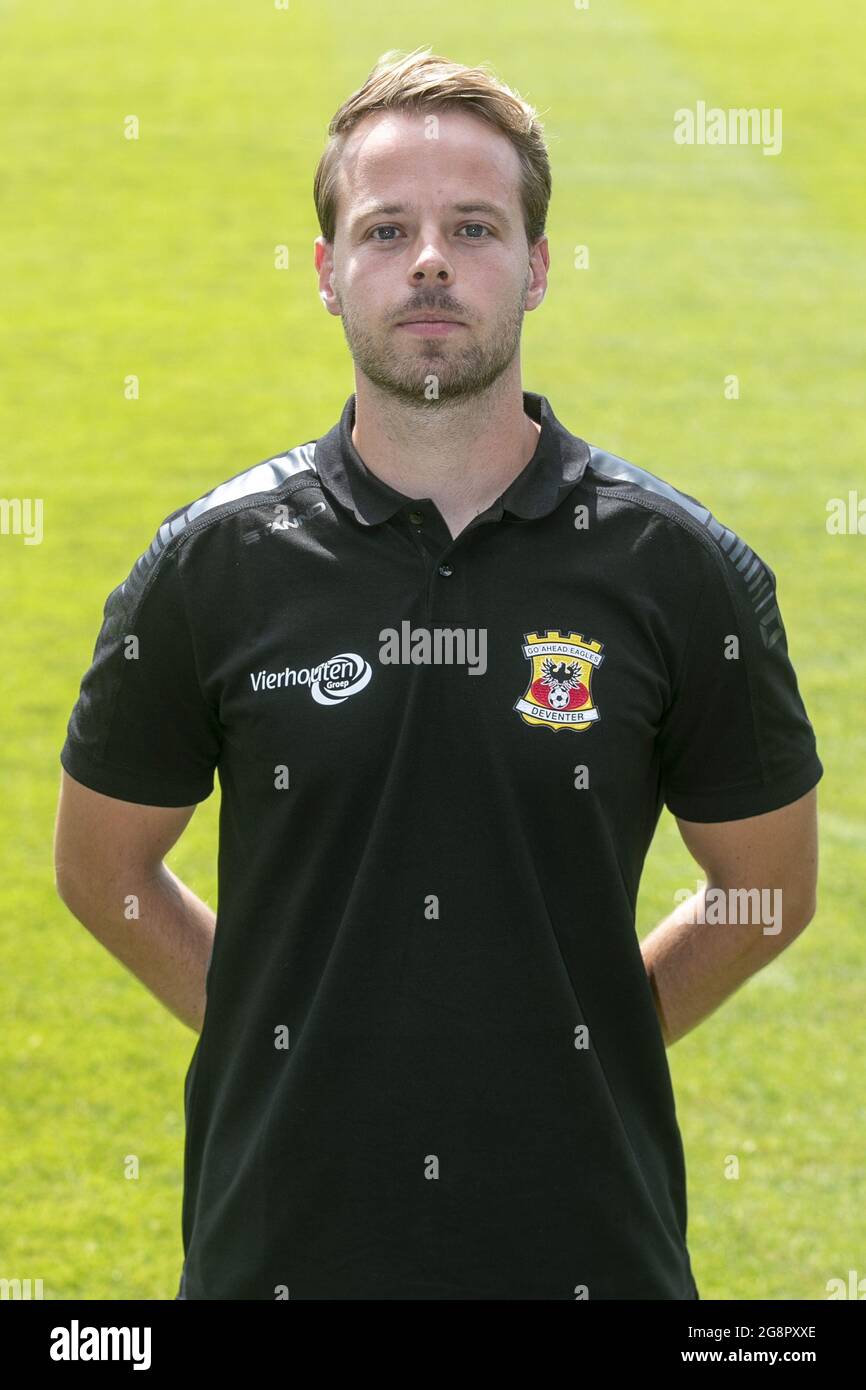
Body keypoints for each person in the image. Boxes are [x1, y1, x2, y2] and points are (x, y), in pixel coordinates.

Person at [54, 47, 823, 1301]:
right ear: (325, 271)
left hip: (586, 1253)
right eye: (384, 229)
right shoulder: (212, 566)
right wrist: (286, 1036)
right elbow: (101, 868)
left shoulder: (678, 569)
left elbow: (767, 891)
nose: (427, 260)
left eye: (471, 227)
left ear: (532, 265)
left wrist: (571, 1044)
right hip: (282, 1252)